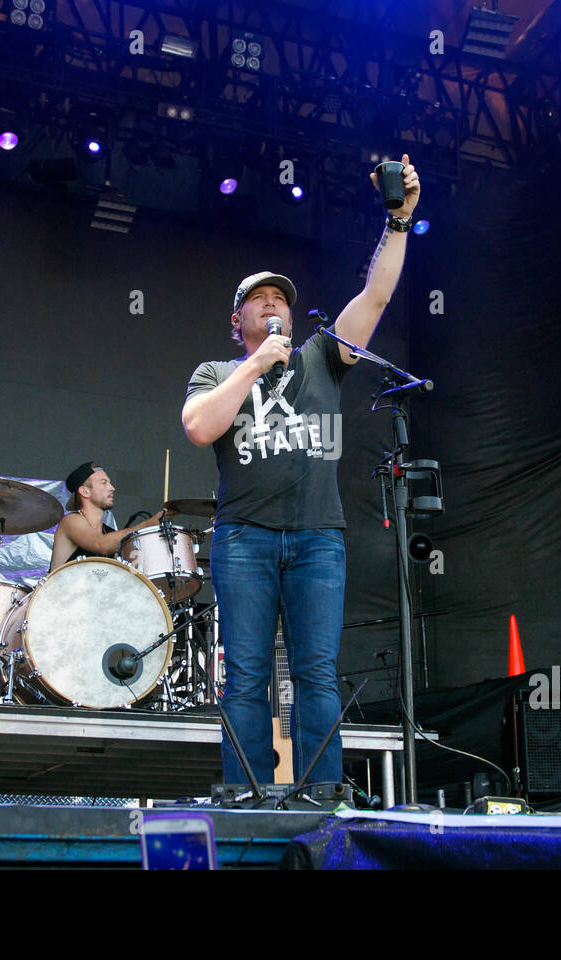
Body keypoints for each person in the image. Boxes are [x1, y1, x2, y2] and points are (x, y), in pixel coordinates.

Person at [182, 155, 421, 786]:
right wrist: (255, 365)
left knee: (317, 673)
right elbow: (201, 426)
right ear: (238, 324)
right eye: (257, 303)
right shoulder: (217, 373)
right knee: (247, 675)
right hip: (243, 540)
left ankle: (321, 794)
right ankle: (246, 792)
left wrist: (397, 222)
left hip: (318, 537)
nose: (272, 308)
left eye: (280, 301)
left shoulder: (322, 354)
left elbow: (376, 295)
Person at [49, 461, 163, 570]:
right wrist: (147, 525)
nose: (112, 488)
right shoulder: (71, 521)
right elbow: (100, 544)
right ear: (85, 492)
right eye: (103, 482)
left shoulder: (109, 534)